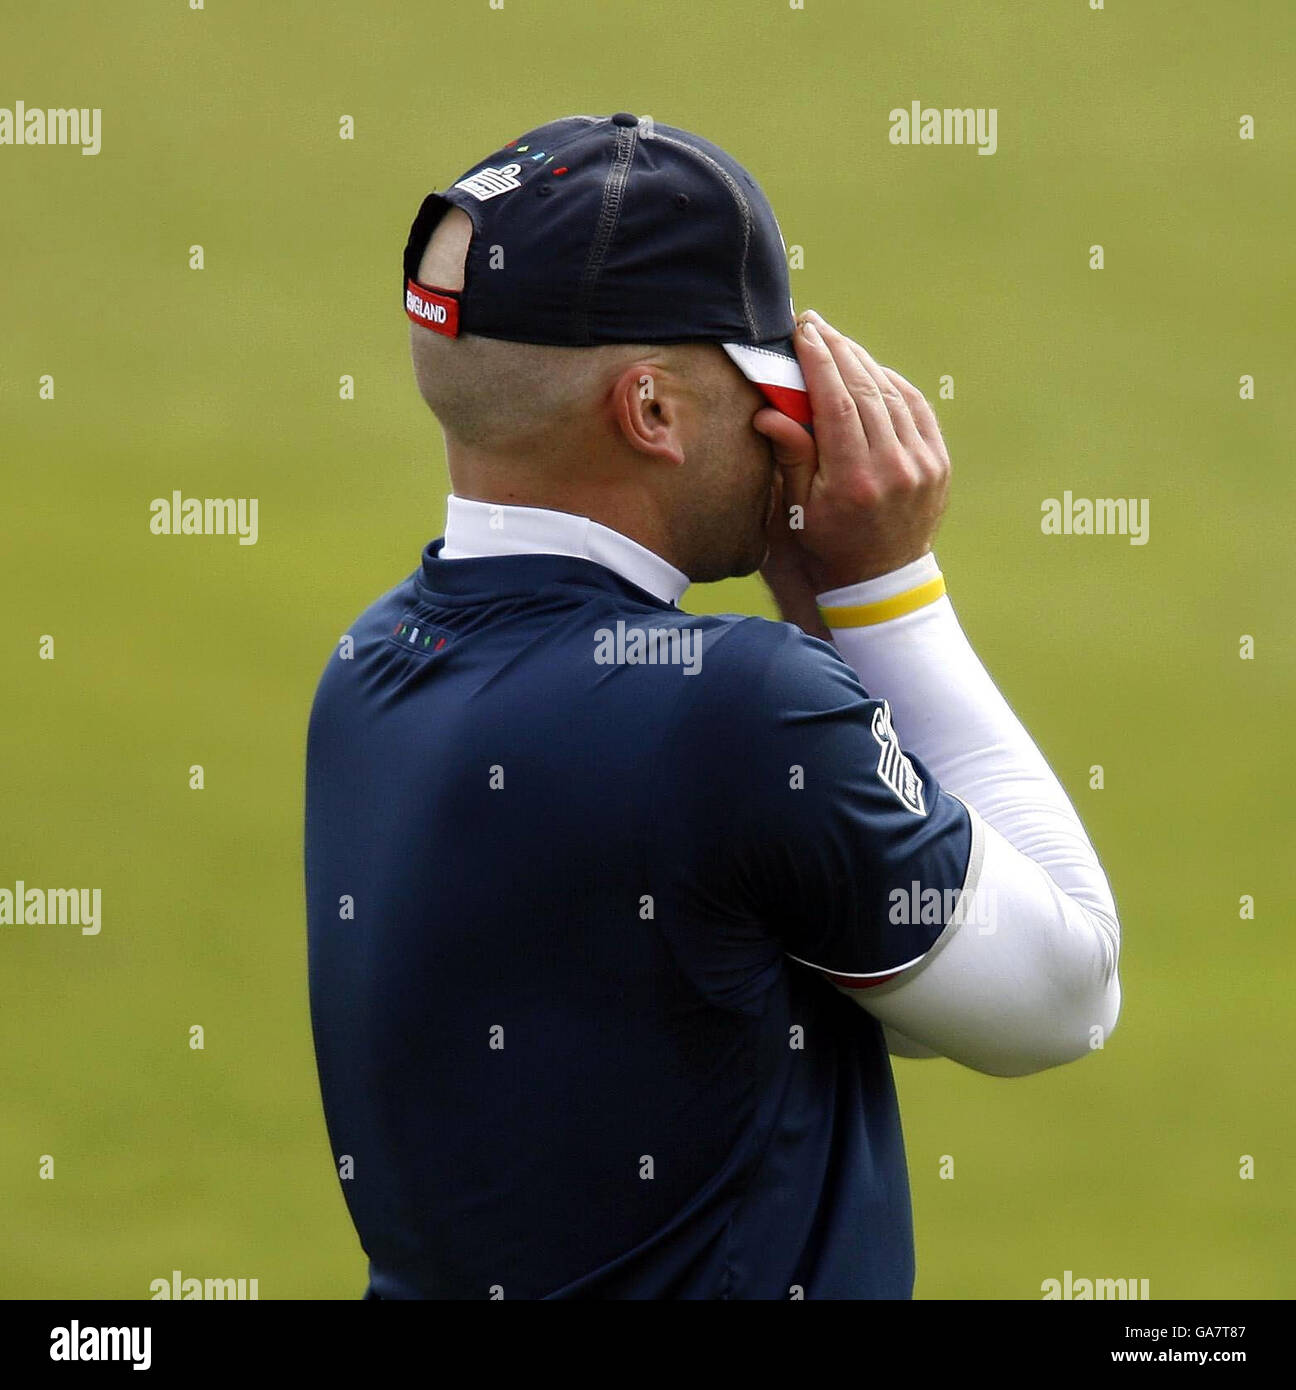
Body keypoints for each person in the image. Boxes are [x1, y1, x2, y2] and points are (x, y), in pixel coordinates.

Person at [304, 113, 1121, 1300]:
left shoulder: (371, 665)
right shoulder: (732, 708)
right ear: (652, 412)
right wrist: (885, 596)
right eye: (776, 380)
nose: (801, 425)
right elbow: (1062, 991)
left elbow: (805, 964)